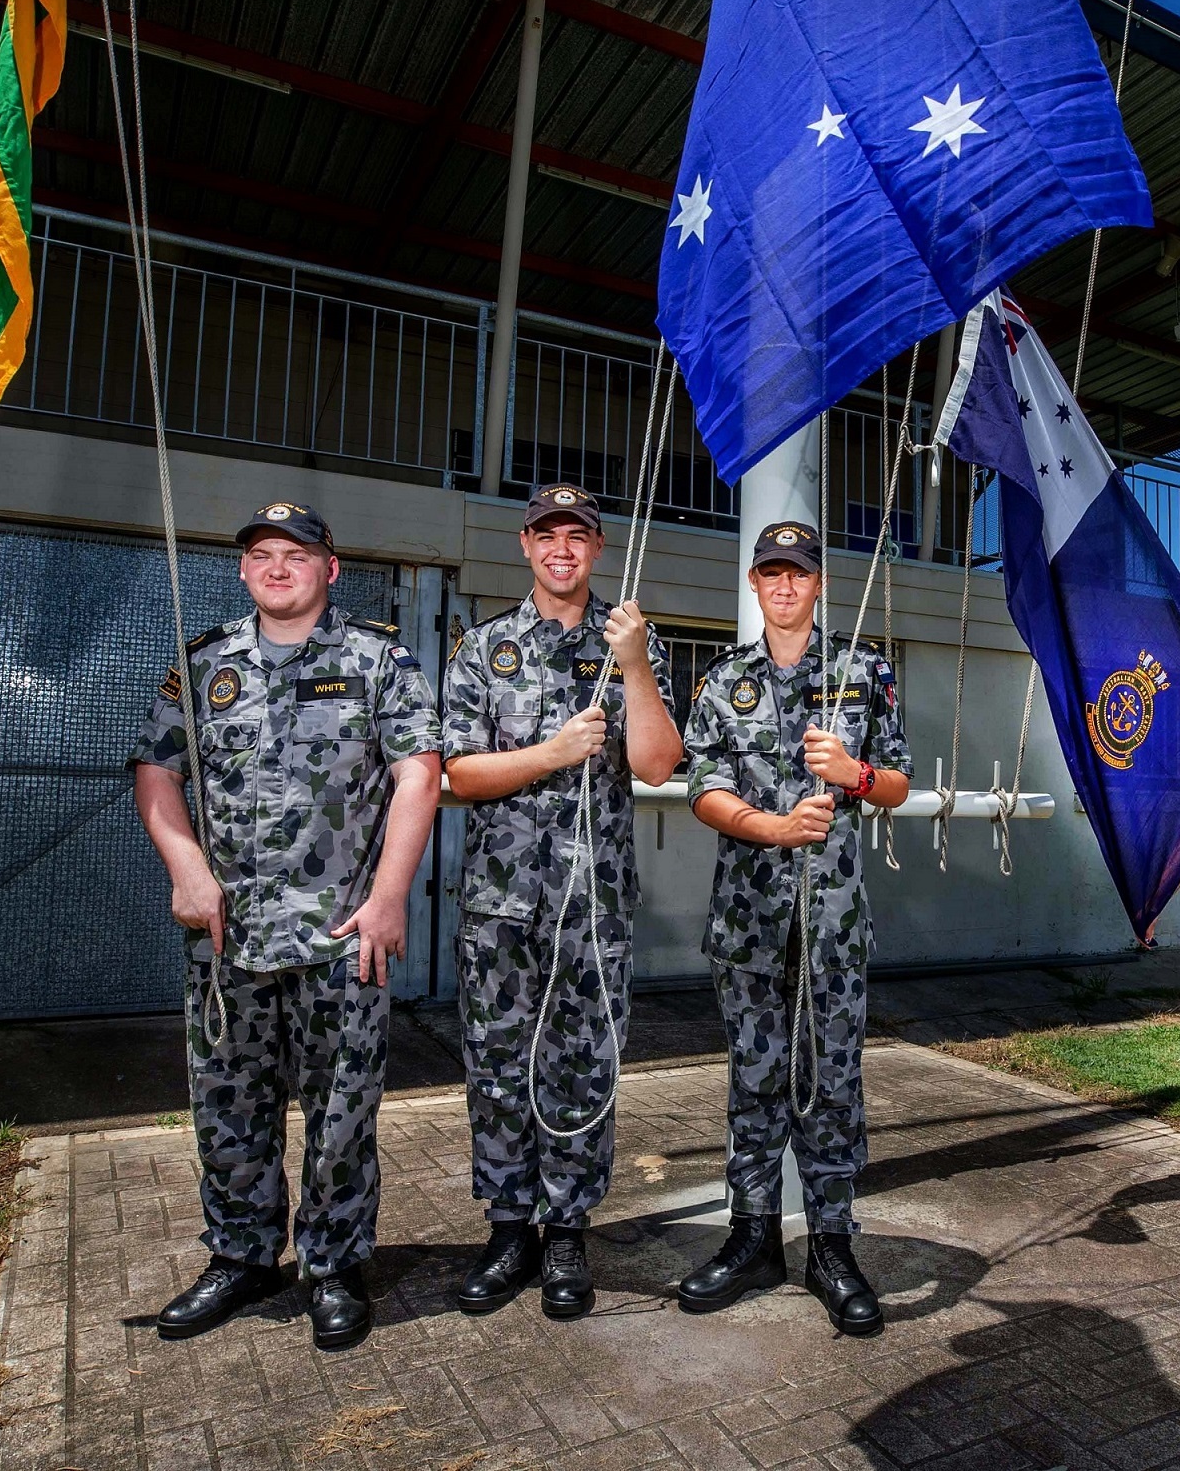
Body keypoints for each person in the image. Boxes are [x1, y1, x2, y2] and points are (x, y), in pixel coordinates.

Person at [130, 503, 441, 1351]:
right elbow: (157, 773)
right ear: (241, 571)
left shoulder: (377, 658)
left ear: (328, 571)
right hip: (226, 936)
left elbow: (420, 773)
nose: (276, 567)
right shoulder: (204, 664)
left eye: (295, 556)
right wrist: (185, 866)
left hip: (343, 935)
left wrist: (390, 895)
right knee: (227, 1109)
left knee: (342, 1112)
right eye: (261, 555)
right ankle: (240, 1259)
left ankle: (335, 1267)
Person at [441, 483, 681, 1320]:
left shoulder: (631, 639)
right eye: (548, 536)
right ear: (526, 546)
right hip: (501, 905)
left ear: (597, 549)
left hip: (593, 905)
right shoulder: (483, 648)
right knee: (499, 1064)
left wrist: (639, 665)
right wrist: (550, 752)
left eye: (577, 537)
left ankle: (569, 1227)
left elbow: (656, 766)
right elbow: (459, 774)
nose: (562, 550)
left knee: (585, 1064)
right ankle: (510, 1228)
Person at [677, 520, 911, 1336]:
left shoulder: (862, 671)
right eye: (771, 573)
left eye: (798, 574)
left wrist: (856, 774)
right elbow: (702, 789)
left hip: (831, 927)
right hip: (746, 924)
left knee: (833, 1086)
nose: (784, 586)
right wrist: (774, 828)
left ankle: (833, 1244)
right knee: (754, 1082)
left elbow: (899, 785)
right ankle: (751, 1235)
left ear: (818, 583)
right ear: (754, 584)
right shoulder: (723, 679)